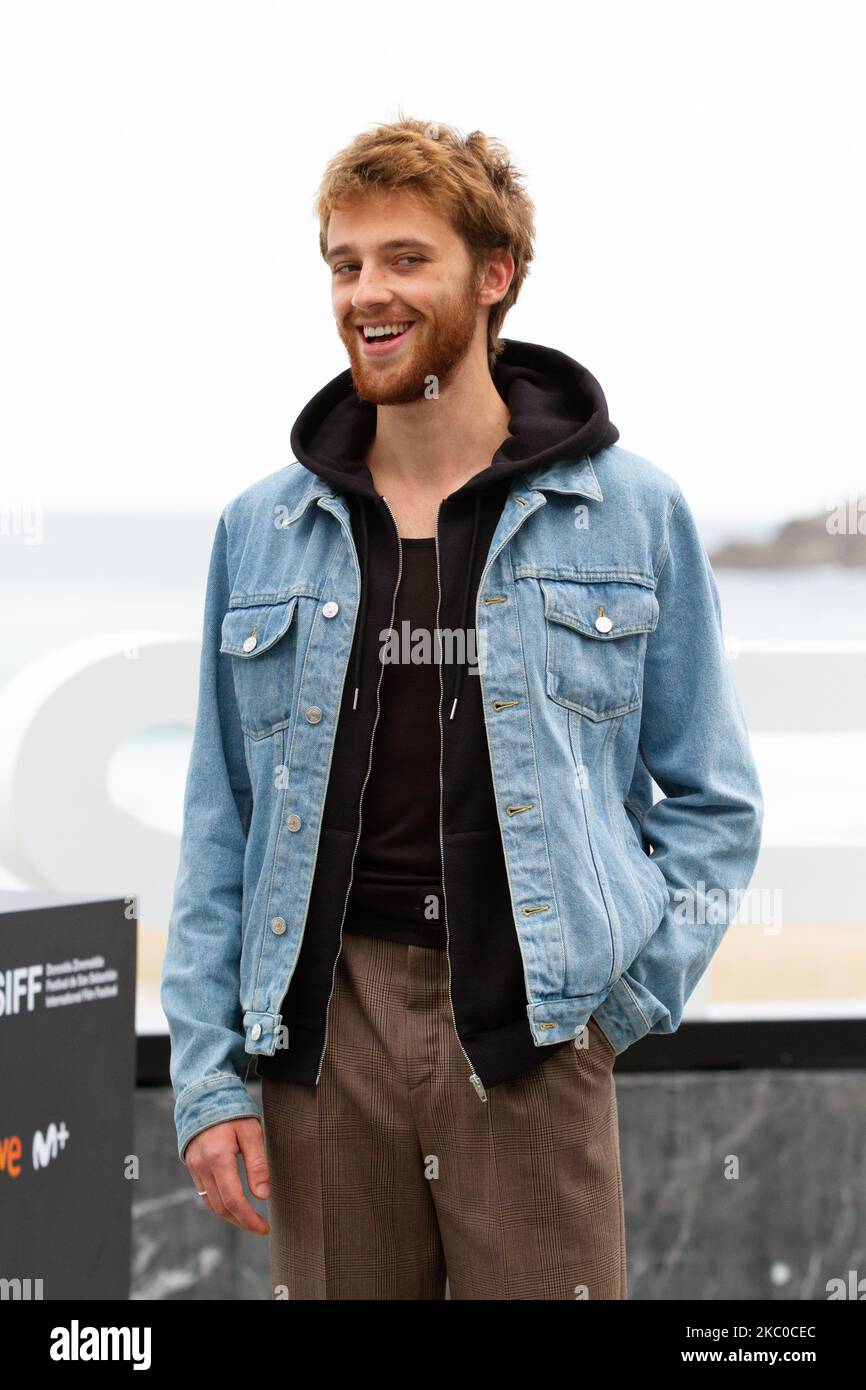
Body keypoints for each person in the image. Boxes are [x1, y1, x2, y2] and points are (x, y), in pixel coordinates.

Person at [160, 116, 764, 1300]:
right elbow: (221, 825)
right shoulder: (260, 528)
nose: (365, 294)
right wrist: (210, 1080)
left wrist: (613, 1008)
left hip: (531, 1039)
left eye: (402, 258)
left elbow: (711, 800)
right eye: (343, 263)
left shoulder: (630, 512)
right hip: (322, 1042)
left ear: (492, 276)